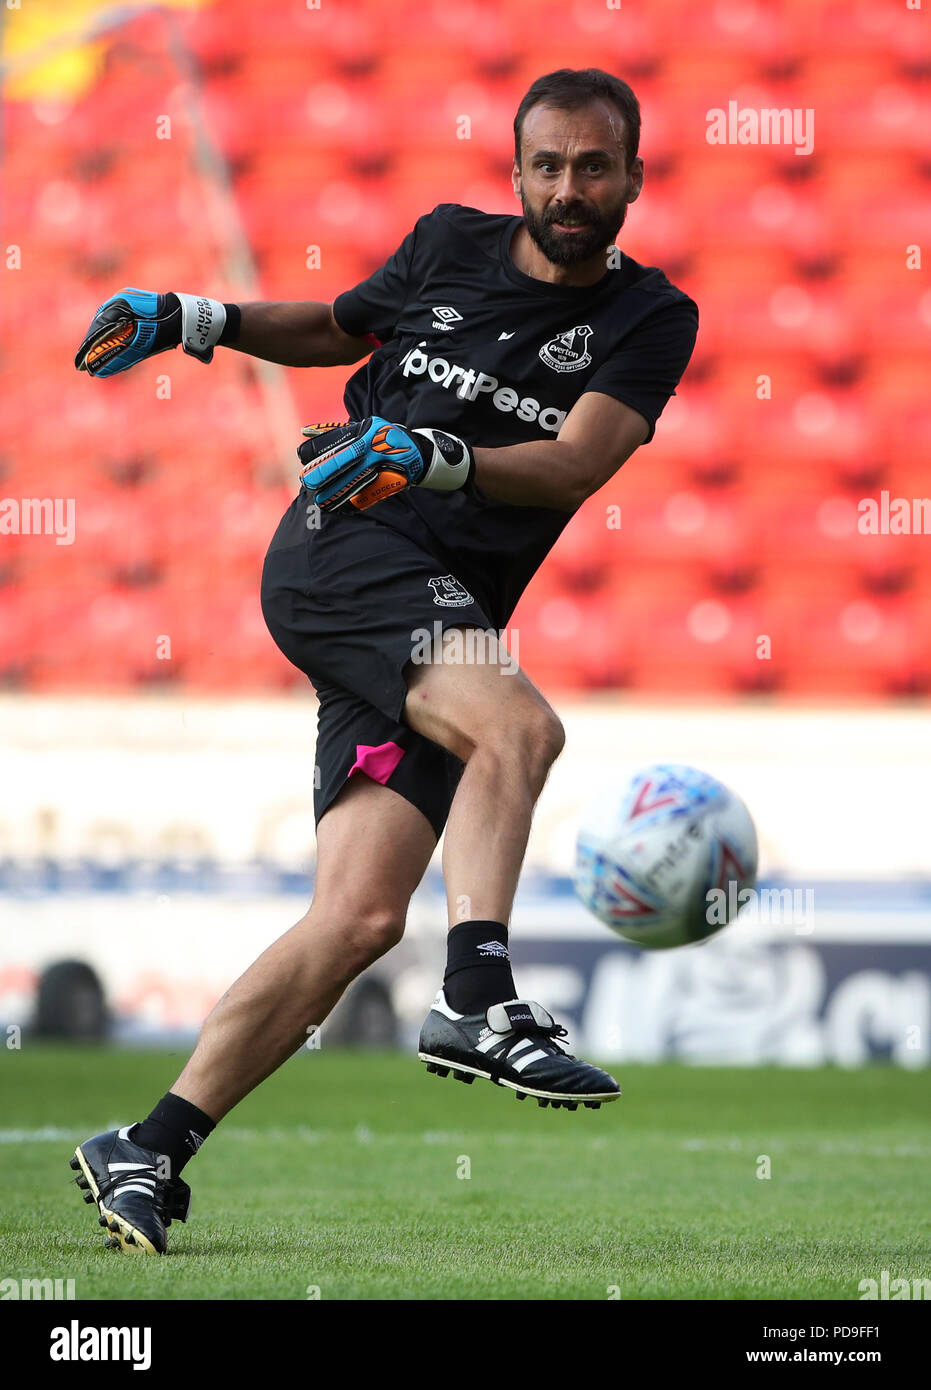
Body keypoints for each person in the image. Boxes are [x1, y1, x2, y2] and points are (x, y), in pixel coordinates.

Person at [70, 67, 698, 1254]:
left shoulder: (651, 317)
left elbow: (572, 466)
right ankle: (477, 994)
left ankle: (147, 1146)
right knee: (520, 728)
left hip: (434, 597)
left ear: (632, 178)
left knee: (356, 920)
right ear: (515, 172)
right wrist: (200, 320)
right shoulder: (446, 243)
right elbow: (341, 328)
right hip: (342, 551)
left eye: (593, 167)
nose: (569, 187)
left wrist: (432, 451)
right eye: (548, 164)